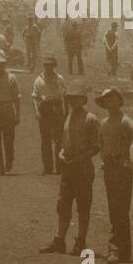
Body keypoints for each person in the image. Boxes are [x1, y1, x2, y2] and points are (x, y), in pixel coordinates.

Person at [40, 80, 100, 254]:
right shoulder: (69, 117)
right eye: (70, 98)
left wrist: (80, 158)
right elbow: (64, 143)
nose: (73, 102)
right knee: (63, 205)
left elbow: (96, 146)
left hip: (83, 169)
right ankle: (59, 240)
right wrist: (60, 154)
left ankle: (80, 241)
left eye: (76, 98)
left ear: (83, 99)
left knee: (83, 206)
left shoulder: (90, 119)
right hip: (68, 169)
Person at [96, 88, 133, 264]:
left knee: (121, 209)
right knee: (113, 209)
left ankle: (118, 249)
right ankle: (119, 249)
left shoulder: (126, 121)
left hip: (122, 167)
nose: (110, 103)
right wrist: (104, 160)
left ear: (119, 101)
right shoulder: (104, 123)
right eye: (106, 100)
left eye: (113, 99)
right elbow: (101, 145)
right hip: (110, 168)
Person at [32, 55, 66, 175]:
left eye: (50, 65)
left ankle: (60, 166)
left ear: (54, 66)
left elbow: (64, 96)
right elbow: (35, 97)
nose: (48, 68)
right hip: (45, 109)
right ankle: (48, 167)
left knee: (59, 139)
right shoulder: (39, 80)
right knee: (45, 139)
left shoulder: (60, 78)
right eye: (46, 65)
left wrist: (65, 112)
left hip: (57, 108)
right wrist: (36, 111)